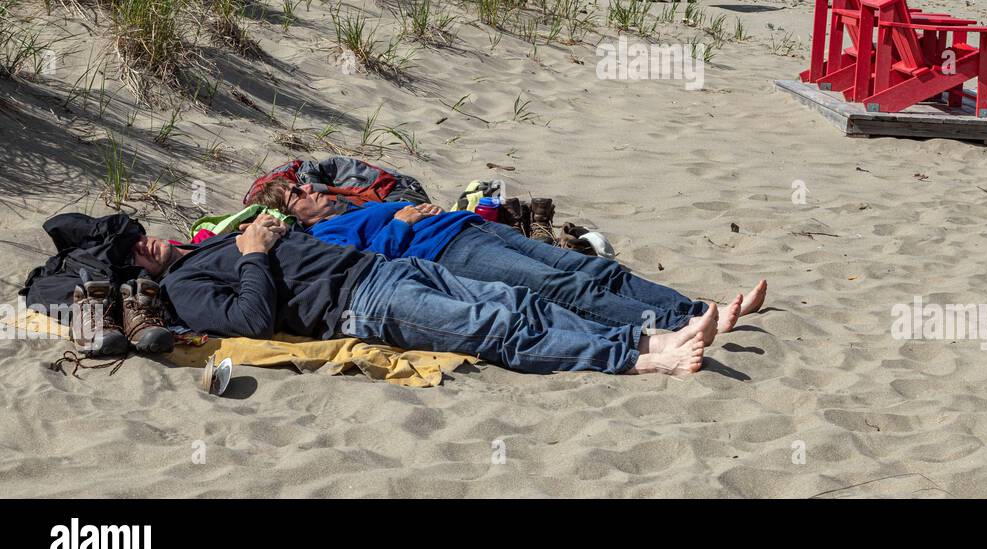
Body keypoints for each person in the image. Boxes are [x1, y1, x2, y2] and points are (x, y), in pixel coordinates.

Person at [138, 215, 711, 376]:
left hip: (388, 268)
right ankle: (636, 357)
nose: (150, 245)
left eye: (143, 235)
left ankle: (649, 332)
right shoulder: (183, 287)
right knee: (495, 328)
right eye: (137, 252)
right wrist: (256, 253)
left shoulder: (208, 246)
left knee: (523, 305)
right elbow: (252, 320)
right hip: (362, 305)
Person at [254, 182, 766, 335]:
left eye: (308, 183)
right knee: (565, 289)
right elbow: (368, 267)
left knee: (591, 267)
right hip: (447, 253)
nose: (312, 189)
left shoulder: (357, 202)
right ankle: (678, 326)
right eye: (299, 191)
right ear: (293, 212)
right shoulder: (322, 237)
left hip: (467, 227)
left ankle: (695, 309)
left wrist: (429, 209)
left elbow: (406, 207)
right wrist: (400, 224)